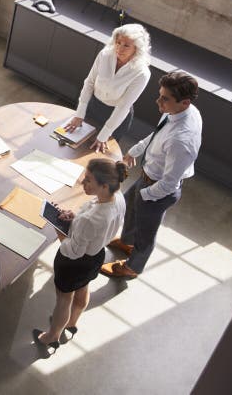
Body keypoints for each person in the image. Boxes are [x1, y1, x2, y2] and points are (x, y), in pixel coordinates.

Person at [101, 71, 202, 278]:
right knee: (129, 207)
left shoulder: (182, 141)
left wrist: (144, 196)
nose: (158, 101)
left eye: (165, 98)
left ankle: (132, 267)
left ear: (184, 102)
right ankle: (126, 242)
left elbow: (169, 185)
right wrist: (135, 150)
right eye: (160, 94)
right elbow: (158, 133)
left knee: (146, 232)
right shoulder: (175, 112)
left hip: (157, 189)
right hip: (147, 176)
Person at [33, 159, 127, 354]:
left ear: (104, 186)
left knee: (64, 300)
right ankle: (72, 323)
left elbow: (72, 250)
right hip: (96, 256)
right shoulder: (117, 199)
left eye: (88, 180)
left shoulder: (89, 220)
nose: (82, 183)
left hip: (73, 264)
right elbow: (95, 225)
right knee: (83, 288)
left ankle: (51, 337)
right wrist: (75, 219)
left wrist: (59, 230)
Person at [64, 24, 151, 153]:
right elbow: (89, 83)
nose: (119, 48)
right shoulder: (104, 55)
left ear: (137, 49)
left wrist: (104, 135)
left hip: (116, 115)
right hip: (92, 106)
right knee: (73, 148)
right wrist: (80, 113)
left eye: (126, 45)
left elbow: (123, 106)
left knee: (96, 154)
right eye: (118, 42)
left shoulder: (142, 73)